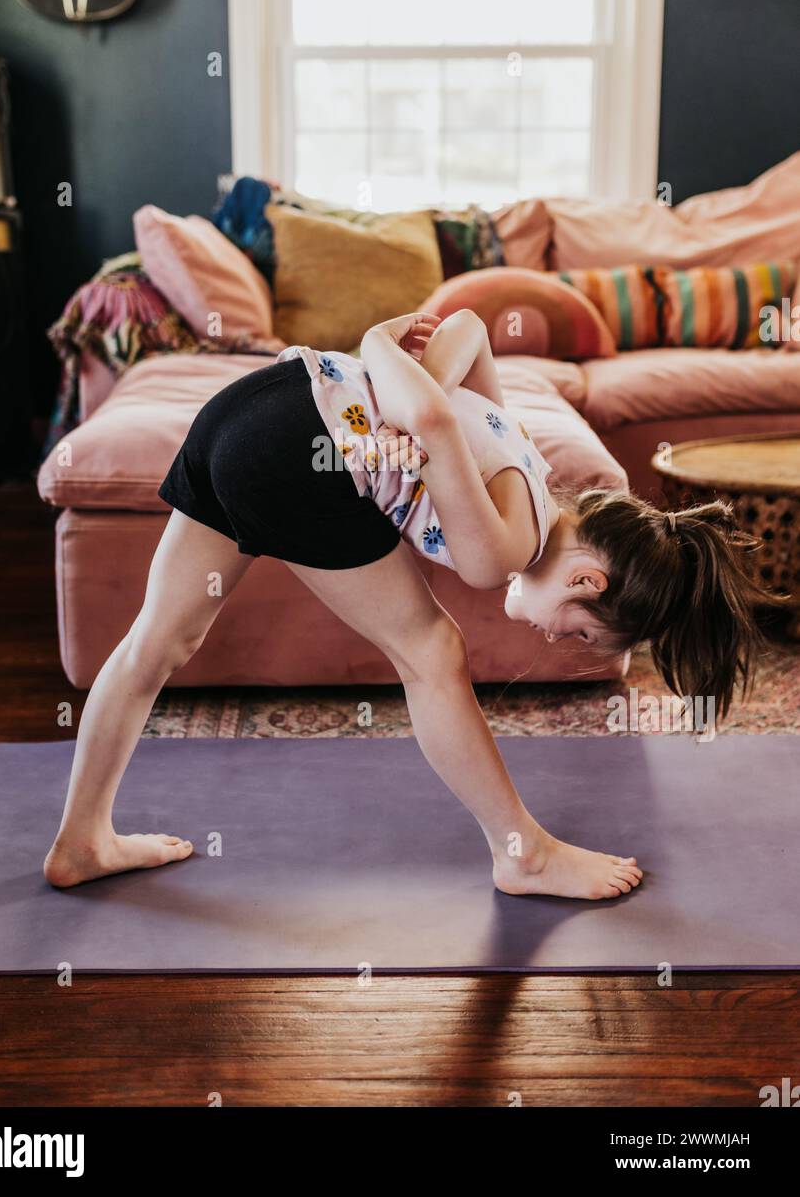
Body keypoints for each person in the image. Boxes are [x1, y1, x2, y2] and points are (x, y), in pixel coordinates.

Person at [44, 309, 768, 899]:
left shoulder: (524, 458)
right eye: (578, 634)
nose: (555, 640)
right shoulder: (502, 551)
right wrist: (382, 349)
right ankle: (522, 854)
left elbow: (469, 332)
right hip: (295, 450)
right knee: (432, 653)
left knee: (157, 643)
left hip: (251, 411)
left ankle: (82, 839)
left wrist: (410, 386)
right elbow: (433, 416)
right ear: (586, 581)